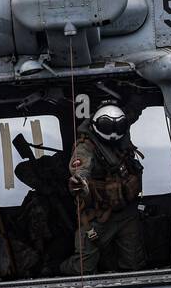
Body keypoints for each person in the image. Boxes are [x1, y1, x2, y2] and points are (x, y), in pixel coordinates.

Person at [57, 104, 147, 276]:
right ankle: (56, 268)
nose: (113, 133)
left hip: (127, 213)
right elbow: (80, 170)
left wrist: (136, 100)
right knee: (83, 268)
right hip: (98, 216)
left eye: (118, 127)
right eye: (108, 127)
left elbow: (132, 112)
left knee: (134, 265)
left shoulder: (121, 133)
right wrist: (79, 182)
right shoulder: (85, 147)